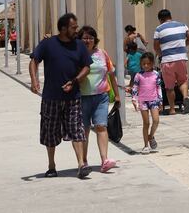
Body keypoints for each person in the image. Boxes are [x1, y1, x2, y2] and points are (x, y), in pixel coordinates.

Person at [29, 13, 93, 178]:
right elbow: (34, 60)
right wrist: (34, 80)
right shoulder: (48, 44)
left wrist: (76, 80)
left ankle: (81, 164)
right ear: (63, 28)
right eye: (73, 27)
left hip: (73, 97)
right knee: (50, 131)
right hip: (51, 97)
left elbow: (87, 66)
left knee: (76, 129)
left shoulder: (79, 45)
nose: (76, 30)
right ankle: (51, 165)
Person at [78, 26, 119, 173]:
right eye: (84, 37)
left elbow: (111, 74)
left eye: (90, 37)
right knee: (84, 130)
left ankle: (105, 160)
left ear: (95, 39)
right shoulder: (76, 55)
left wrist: (117, 94)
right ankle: (83, 161)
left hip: (101, 97)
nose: (87, 40)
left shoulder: (102, 54)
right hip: (82, 97)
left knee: (101, 126)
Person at [153, 9, 189, 115]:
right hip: (181, 58)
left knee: (169, 86)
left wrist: (161, 54)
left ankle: (172, 109)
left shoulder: (159, 29)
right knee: (183, 81)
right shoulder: (182, 25)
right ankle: (185, 97)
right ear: (170, 16)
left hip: (167, 60)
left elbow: (156, 46)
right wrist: (183, 45)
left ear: (160, 19)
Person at [128, 52, 162, 153]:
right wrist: (134, 99)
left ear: (152, 64)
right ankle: (146, 145)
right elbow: (135, 88)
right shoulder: (138, 75)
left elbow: (159, 87)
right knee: (146, 123)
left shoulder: (156, 74)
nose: (146, 66)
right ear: (141, 64)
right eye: (144, 64)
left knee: (156, 120)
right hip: (143, 101)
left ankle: (150, 136)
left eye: (148, 63)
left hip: (154, 100)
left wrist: (160, 100)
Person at [124, 41, 141, 112]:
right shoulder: (139, 54)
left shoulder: (129, 54)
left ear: (130, 49)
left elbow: (125, 61)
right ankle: (135, 90)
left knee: (132, 80)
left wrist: (125, 66)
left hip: (131, 69)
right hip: (138, 69)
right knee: (137, 81)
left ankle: (131, 90)